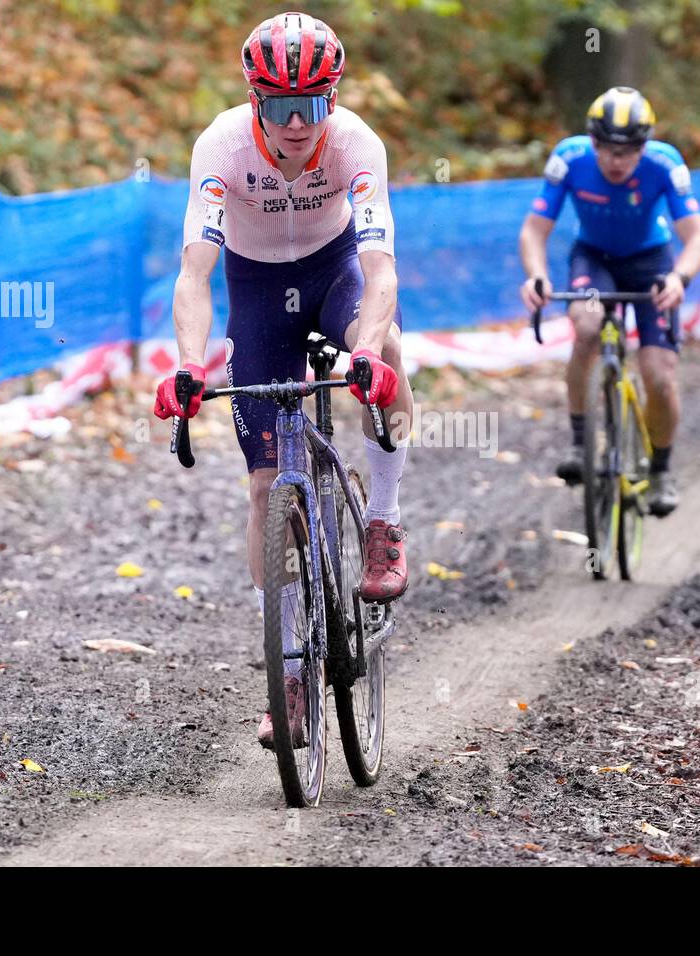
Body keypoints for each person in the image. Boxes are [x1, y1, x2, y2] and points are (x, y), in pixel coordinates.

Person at [152, 12, 413, 748]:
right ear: (253, 100)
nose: (297, 124)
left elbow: (380, 267)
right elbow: (194, 273)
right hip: (257, 294)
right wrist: (185, 364)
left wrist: (365, 354)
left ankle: (385, 522)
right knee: (266, 487)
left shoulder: (358, 143)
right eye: (278, 106)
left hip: (336, 278)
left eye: (312, 105)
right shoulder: (221, 146)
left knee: (387, 342)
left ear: (333, 98)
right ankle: (290, 669)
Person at [518, 86, 700, 517]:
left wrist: (680, 277)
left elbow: (696, 236)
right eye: (606, 149)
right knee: (586, 327)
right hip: (594, 259)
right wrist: (537, 275)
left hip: (651, 263)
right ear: (593, 142)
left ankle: (660, 470)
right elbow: (534, 230)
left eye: (627, 151)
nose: (615, 161)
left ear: (644, 147)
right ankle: (580, 441)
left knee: (658, 375)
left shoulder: (665, 163)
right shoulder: (569, 158)